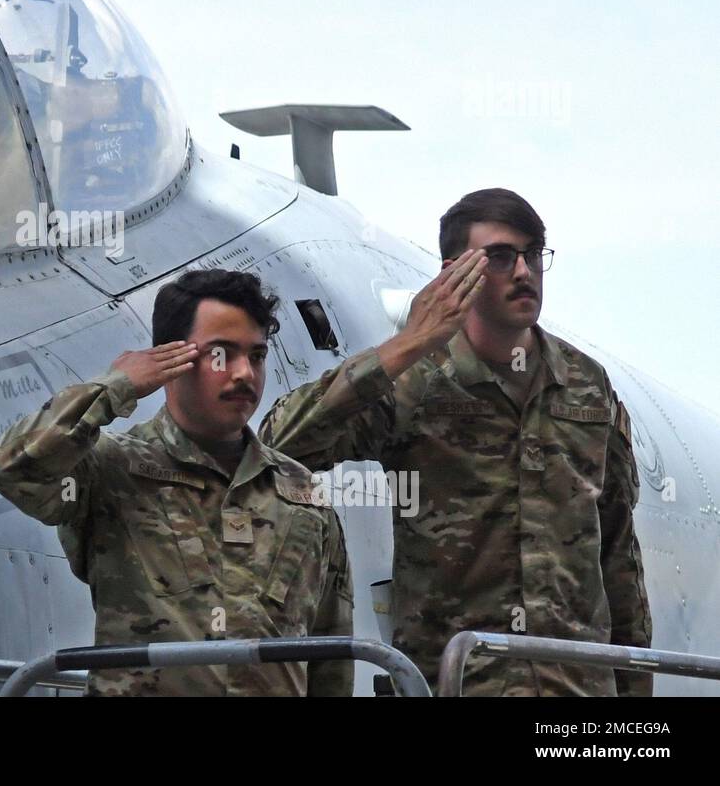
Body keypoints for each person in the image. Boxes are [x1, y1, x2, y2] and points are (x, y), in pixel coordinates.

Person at [260, 188, 652, 696]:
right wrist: (408, 343)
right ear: (453, 272)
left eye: (533, 254)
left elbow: (618, 550)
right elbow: (279, 445)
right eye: (501, 257)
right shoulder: (415, 381)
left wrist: (636, 698)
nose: (524, 272)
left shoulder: (584, 383)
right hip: (458, 684)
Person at [0, 269, 353, 696]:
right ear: (168, 359)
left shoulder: (302, 493)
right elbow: (10, 468)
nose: (244, 374)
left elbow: (331, 651)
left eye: (256, 356)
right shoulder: (110, 468)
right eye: (220, 354)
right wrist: (113, 388)